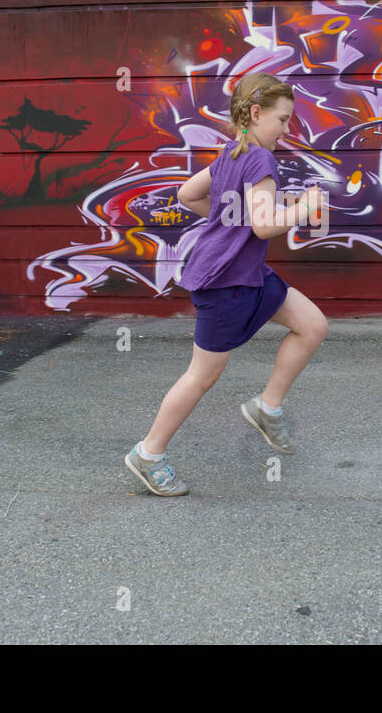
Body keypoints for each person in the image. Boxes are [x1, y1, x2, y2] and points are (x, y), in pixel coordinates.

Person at [123, 71, 328, 496]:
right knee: (201, 376)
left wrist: (223, 221)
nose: (288, 129)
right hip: (226, 283)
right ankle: (149, 453)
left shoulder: (231, 155)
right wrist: (305, 207)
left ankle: (266, 408)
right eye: (283, 119)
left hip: (249, 275)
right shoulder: (260, 159)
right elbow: (265, 226)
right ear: (255, 114)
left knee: (312, 325)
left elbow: (186, 194)